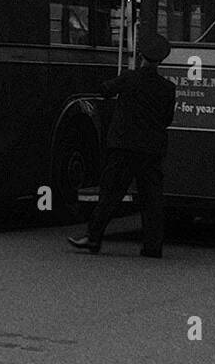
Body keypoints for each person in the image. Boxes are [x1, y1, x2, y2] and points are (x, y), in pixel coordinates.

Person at [68, 31, 178, 258]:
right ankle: (152, 247)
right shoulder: (168, 88)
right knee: (152, 199)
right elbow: (167, 119)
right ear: (161, 60)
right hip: (152, 150)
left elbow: (105, 90)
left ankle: (93, 238)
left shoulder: (129, 78)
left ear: (141, 55)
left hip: (124, 147)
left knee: (110, 195)